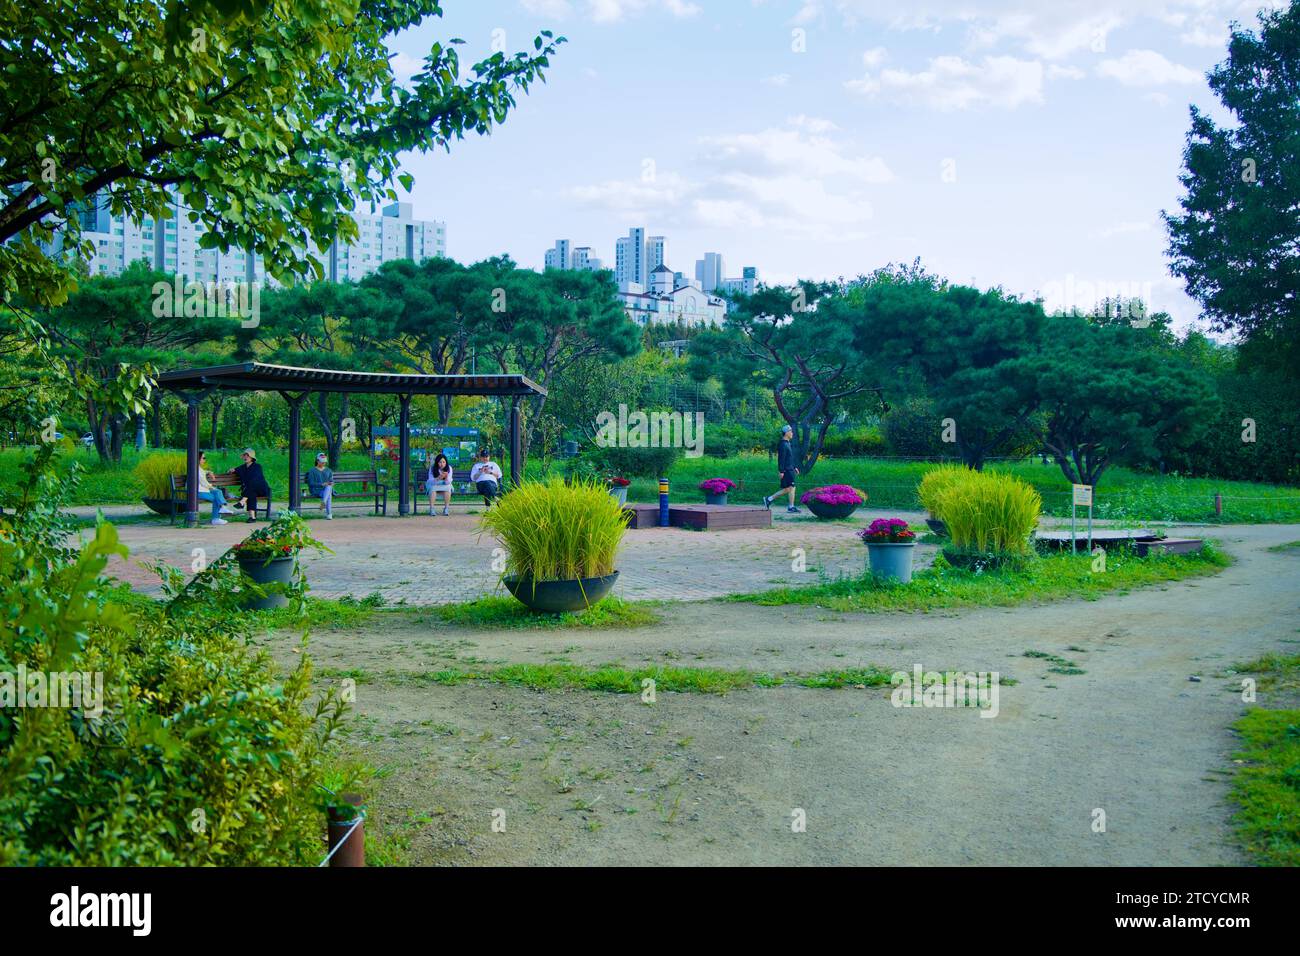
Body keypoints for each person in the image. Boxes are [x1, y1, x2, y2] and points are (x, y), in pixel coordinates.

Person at [762, 425, 800, 514]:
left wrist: (794, 467)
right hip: (787, 470)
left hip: (790, 469)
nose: (792, 433)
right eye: (791, 431)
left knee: (791, 488)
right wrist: (781, 471)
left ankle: (789, 506)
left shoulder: (787, 443)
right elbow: (781, 459)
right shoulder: (783, 444)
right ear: (786, 433)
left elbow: (789, 458)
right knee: (790, 488)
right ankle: (770, 499)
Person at [232, 447, 272, 522]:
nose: (245, 457)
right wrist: (231, 470)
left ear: (252, 457)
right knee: (251, 494)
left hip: (262, 489)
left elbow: (258, 480)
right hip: (251, 491)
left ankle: (242, 501)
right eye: (244, 455)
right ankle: (252, 517)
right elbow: (232, 470)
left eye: (248, 455)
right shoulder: (242, 468)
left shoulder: (257, 466)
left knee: (253, 483)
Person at [195, 452, 228, 526]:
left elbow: (202, 473)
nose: (204, 460)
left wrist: (208, 472)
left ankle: (222, 509)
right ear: (198, 459)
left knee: (217, 492)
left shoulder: (198, 468)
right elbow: (204, 483)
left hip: (201, 491)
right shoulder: (196, 469)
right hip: (197, 492)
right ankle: (216, 518)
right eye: (203, 458)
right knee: (216, 496)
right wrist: (212, 487)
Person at [306, 452, 334, 520]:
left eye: (324, 462)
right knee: (328, 494)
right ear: (317, 461)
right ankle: (329, 514)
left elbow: (331, 481)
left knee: (329, 488)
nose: (323, 463)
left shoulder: (328, 470)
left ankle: (323, 502)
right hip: (316, 490)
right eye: (322, 462)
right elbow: (310, 483)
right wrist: (322, 484)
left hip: (326, 490)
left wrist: (331, 483)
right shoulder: (312, 471)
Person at [426, 452, 453, 517]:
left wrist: (446, 478)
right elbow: (431, 481)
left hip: (444, 485)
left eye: (444, 462)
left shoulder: (449, 468)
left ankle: (446, 508)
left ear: (446, 462)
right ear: (437, 462)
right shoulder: (432, 468)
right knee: (433, 489)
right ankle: (432, 509)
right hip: (434, 484)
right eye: (440, 462)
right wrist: (438, 478)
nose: (442, 464)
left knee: (448, 488)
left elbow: (448, 482)